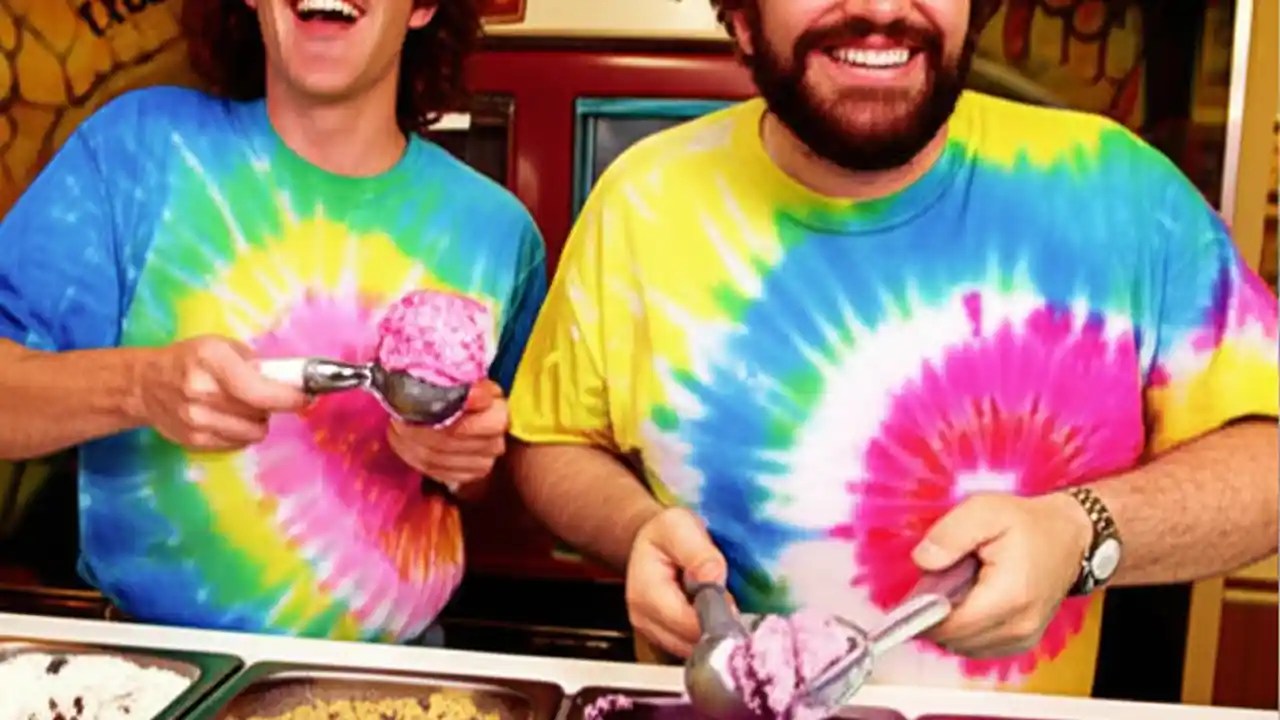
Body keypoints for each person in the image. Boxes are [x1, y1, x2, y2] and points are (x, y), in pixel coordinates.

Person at [506, 0, 1278, 695]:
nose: (879, 8)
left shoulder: (1117, 192)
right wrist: (635, 529)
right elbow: (550, 441)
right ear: (741, 17)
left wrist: (1084, 534)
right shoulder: (643, 199)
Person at [0, 0, 547, 645]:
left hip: (398, 679)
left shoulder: (498, 233)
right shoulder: (135, 152)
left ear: (423, 6)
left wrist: (464, 455)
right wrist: (140, 386)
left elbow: (499, 475)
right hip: (153, 671)